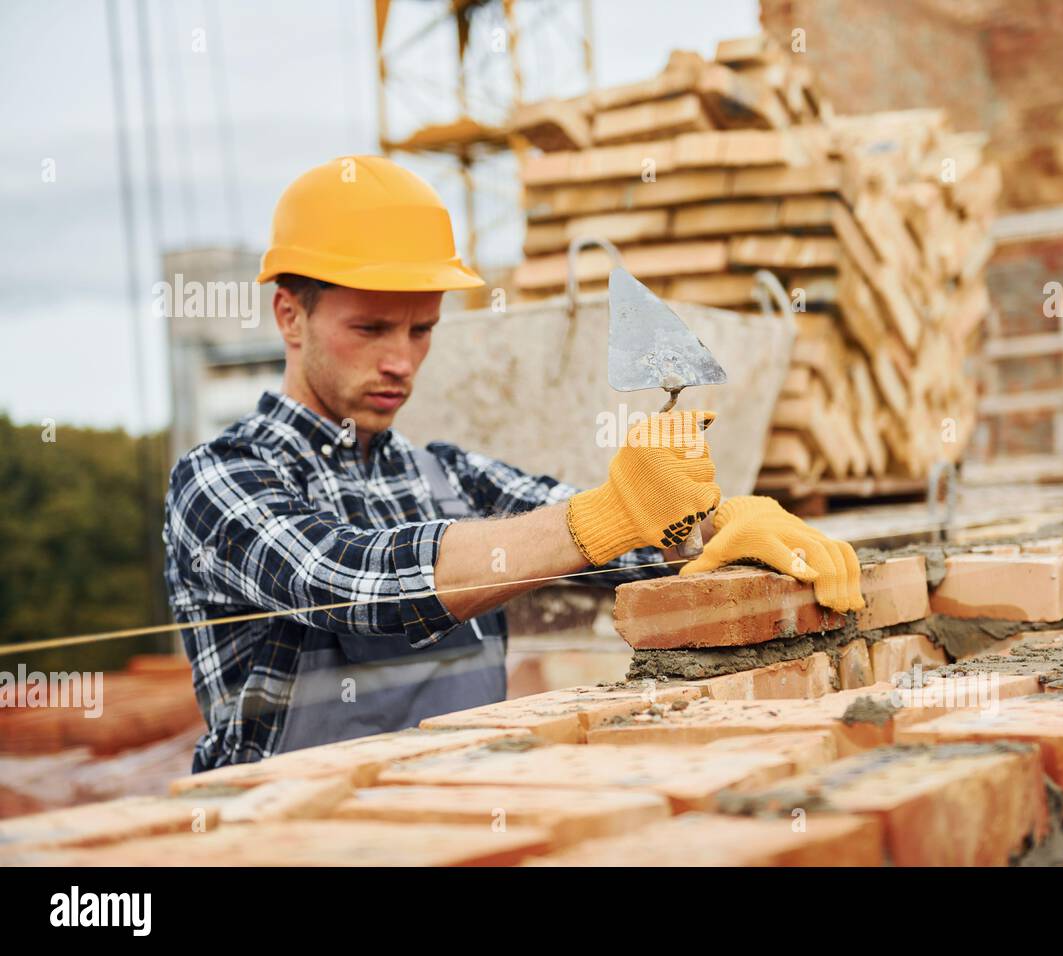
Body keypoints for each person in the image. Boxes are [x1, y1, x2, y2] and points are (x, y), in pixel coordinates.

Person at [162, 155, 864, 772]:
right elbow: (354, 581)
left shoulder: (447, 476)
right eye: (370, 329)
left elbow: (613, 537)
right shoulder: (220, 480)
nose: (402, 360)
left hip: (463, 830)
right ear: (289, 316)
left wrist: (708, 531)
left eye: (422, 329)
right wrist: (606, 516)